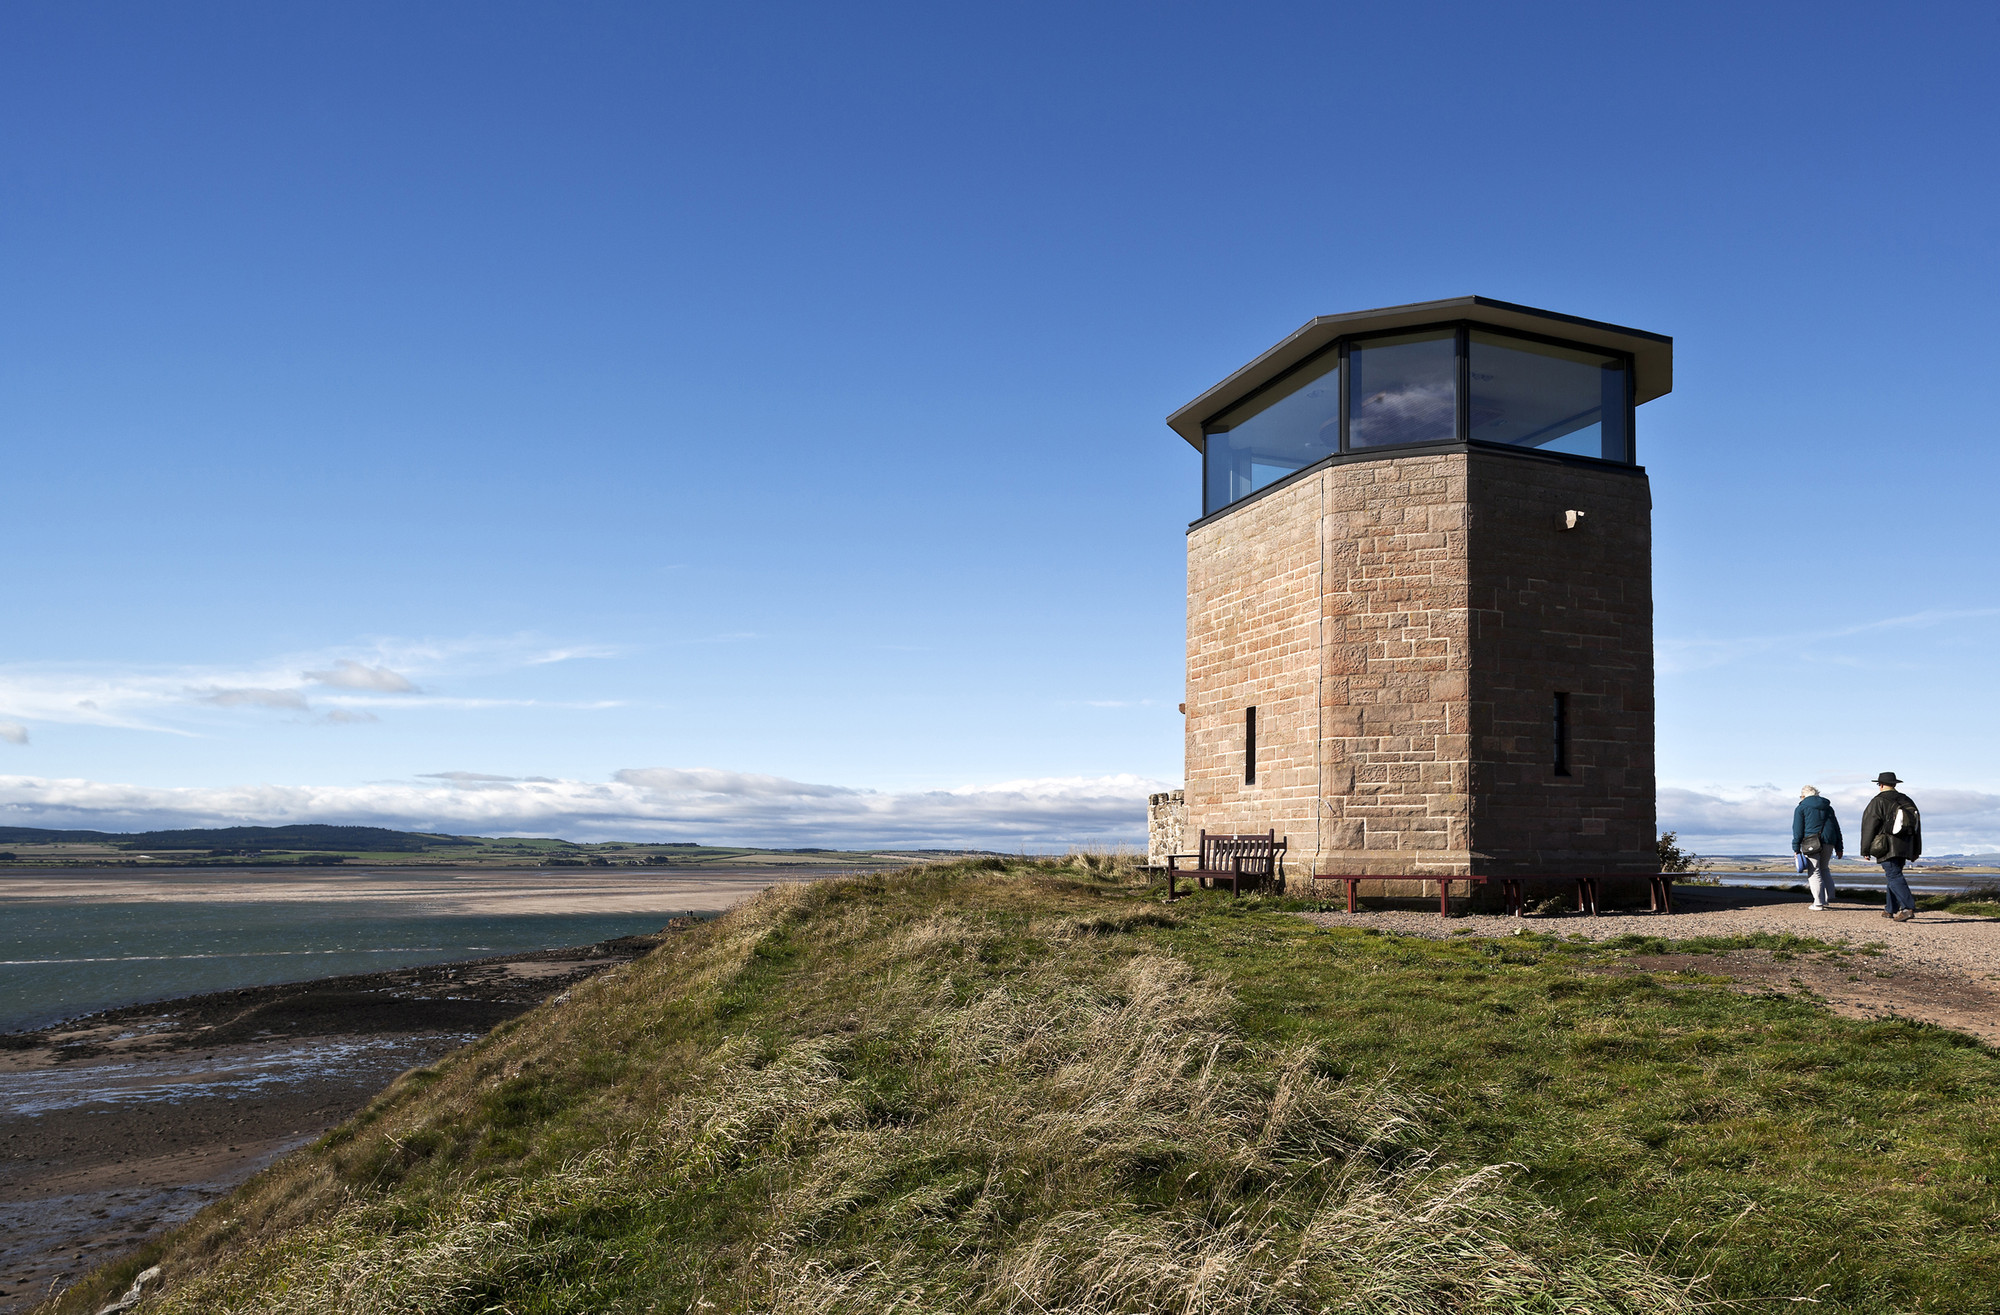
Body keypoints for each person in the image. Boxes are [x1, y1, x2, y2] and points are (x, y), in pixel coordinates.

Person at [1859, 772, 1922, 922]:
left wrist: (1865, 849)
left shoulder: (1878, 801)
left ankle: (1907, 907)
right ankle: (1890, 909)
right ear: (1894, 784)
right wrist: (1916, 849)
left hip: (1886, 845)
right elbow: (1917, 826)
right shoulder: (1907, 800)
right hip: (1906, 845)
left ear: (1880, 785)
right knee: (1894, 875)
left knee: (1894, 875)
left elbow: (1869, 826)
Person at [1790, 786, 1842, 910]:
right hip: (1829, 842)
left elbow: (1797, 830)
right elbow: (1836, 828)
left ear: (1803, 796)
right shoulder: (1828, 808)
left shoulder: (1801, 808)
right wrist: (1839, 847)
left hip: (1811, 843)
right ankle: (1827, 899)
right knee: (1824, 869)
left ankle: (1818, 903)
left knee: (1814, 871)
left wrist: (1796, 848)